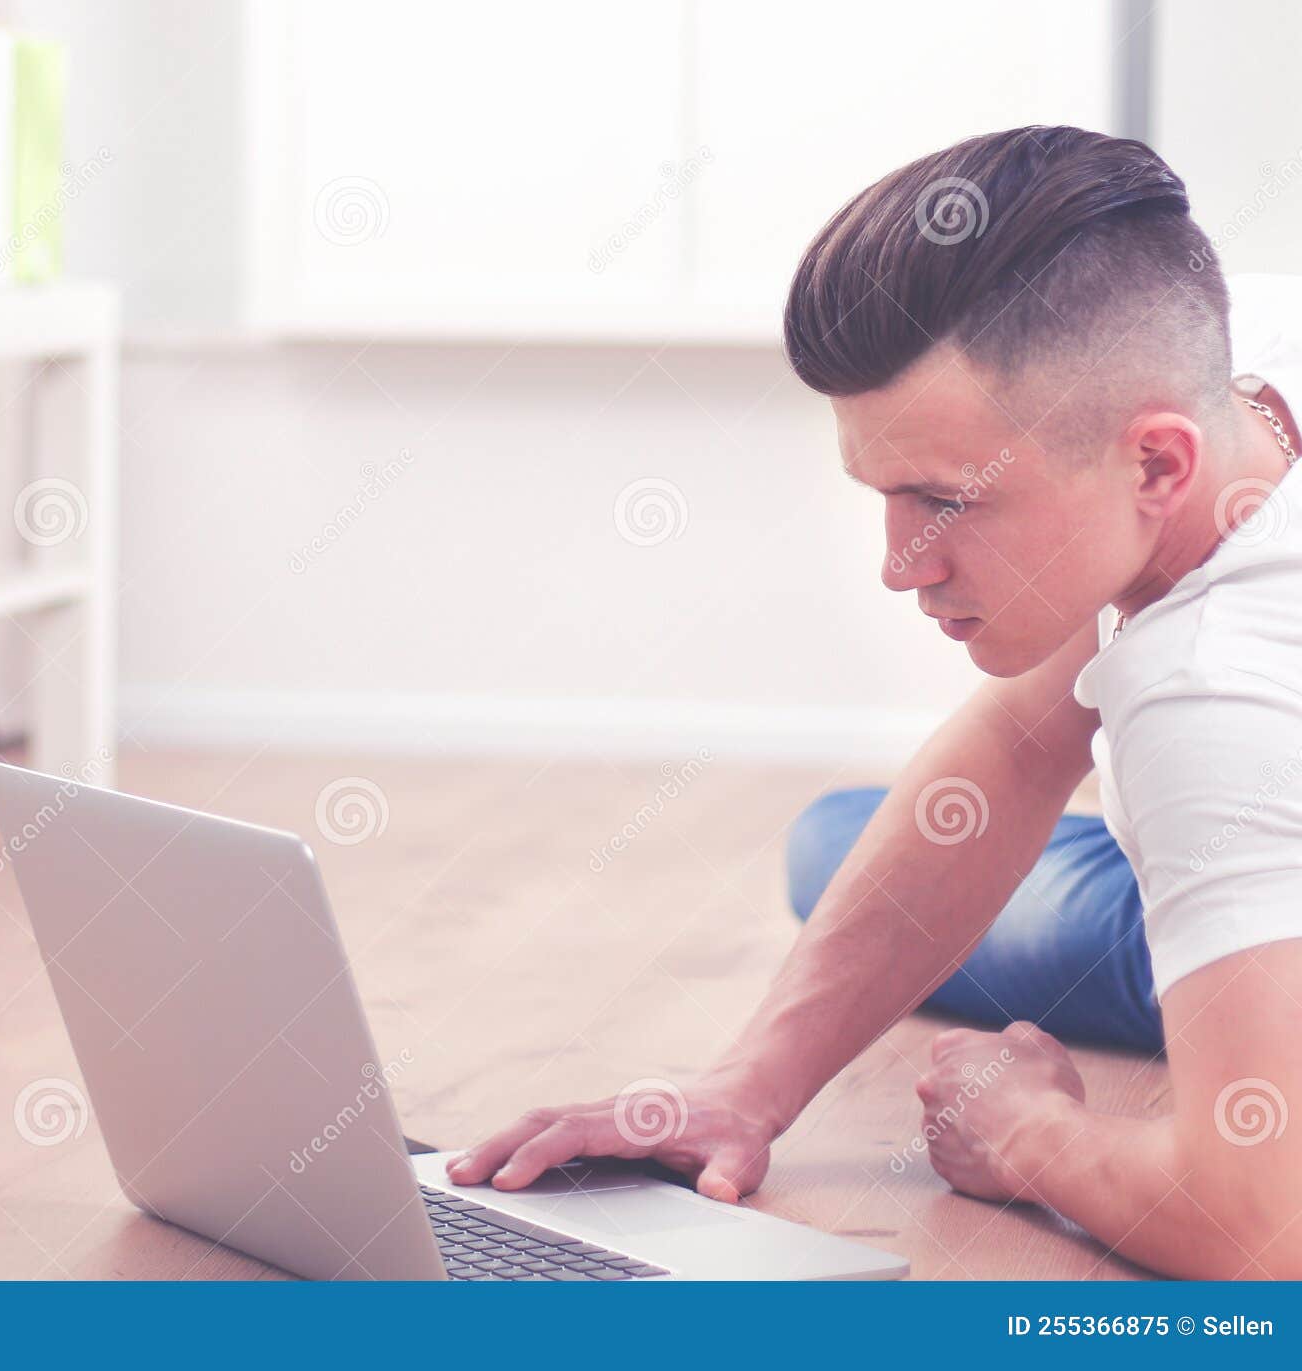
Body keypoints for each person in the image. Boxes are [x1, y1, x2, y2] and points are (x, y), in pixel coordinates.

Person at [448, 126, 1302, 1280]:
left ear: (1158, 465)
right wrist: (748, 1088)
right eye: (883, 495)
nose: (900, 566)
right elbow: (1013, 746)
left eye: (941, 500)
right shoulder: (1221, 359)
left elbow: (1257, 1227)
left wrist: (1030, 1132)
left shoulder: (1211, 701)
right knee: (839, 839)